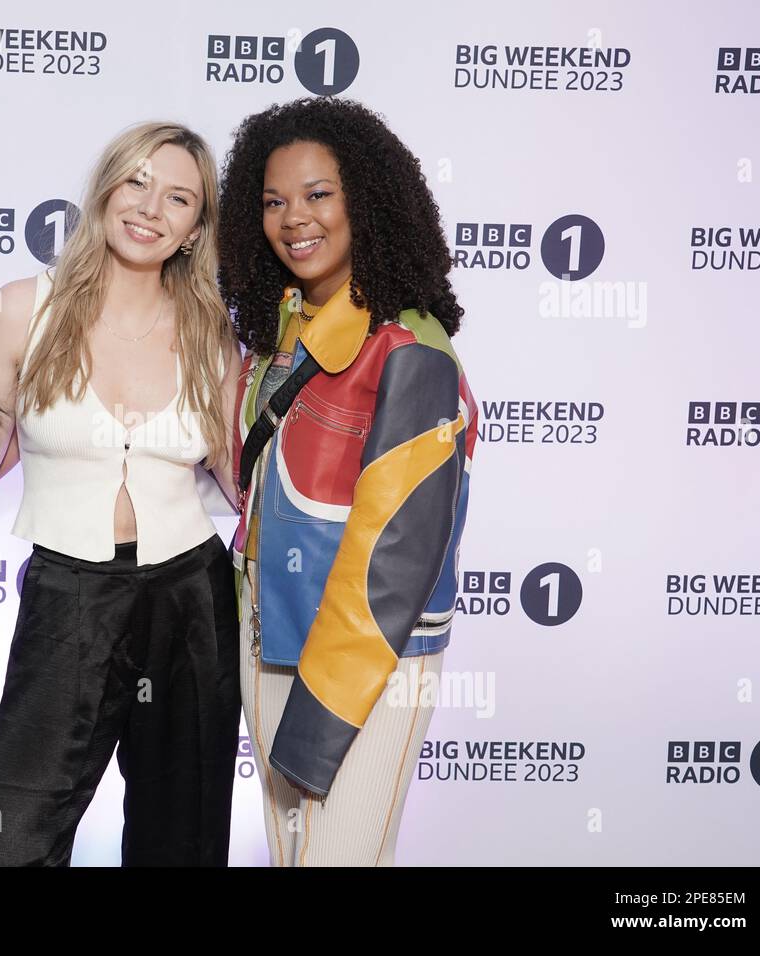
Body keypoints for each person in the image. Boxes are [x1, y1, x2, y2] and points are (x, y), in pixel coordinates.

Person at [0, 121, 243, 866]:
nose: (152, 207)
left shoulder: (212, 334)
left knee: (181, 836)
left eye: (179, 198)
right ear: (106, 189)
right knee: (19, 830)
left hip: (192, 596)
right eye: (138, 182)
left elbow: (236, 475)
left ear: (194, 229)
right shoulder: (21, 308)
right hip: (68, 592)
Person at [217, 97, 479, 866]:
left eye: (318, 194)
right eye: (273, 201)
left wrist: (321, 715)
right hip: (269, 645)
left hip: (366, 665)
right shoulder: (280, 337)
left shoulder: (409, 347)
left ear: (366, 200)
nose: (294, 218)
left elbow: (393, 562)